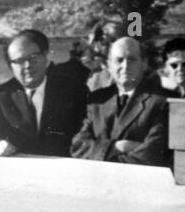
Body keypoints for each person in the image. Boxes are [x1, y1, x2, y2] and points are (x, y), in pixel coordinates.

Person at [0, 29, 88, 157]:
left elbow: (87, 132)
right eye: (19, 60)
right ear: (10, 66)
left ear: (45, 55)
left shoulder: (74, 90)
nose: (27, 65)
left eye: (33, 57)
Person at [72, 36, 170, 167]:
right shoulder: (97, 99)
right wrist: (119, 146)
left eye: (132, 59)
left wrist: (101, 155)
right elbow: (78, 147)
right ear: (109, 64)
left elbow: (151, 155)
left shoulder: (162, 101)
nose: (125, 66)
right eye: (119, 60)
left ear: (144, 63)